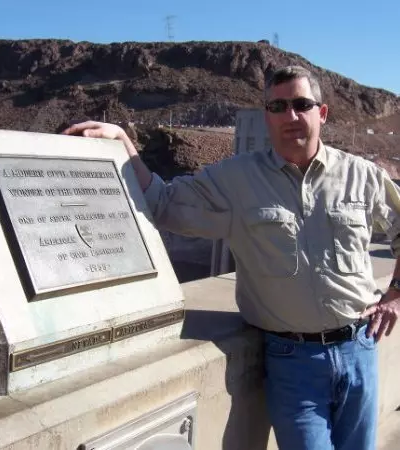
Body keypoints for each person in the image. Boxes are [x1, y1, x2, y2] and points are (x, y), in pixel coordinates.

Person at [62, 65, 400, 450]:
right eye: (277, 106)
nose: (290, 116)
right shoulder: (236, 180)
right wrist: (124, 145)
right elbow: (165, 203)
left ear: (321, 113)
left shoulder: (362, 175)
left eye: (301, 104)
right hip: (293, 362)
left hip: (360, 350)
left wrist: (395, 295)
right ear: (266, 115)